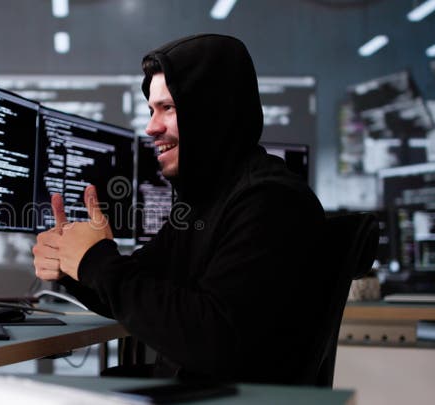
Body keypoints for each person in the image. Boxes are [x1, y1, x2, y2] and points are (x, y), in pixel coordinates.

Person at [32, 34, 330, 384]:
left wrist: (96, 261)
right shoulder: (210, 200)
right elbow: (142, 290)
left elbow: (214, 340)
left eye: (168, 108)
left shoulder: (270, 202)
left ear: (214, 112)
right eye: (151, 110)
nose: (150, 127)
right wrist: (73, 264)